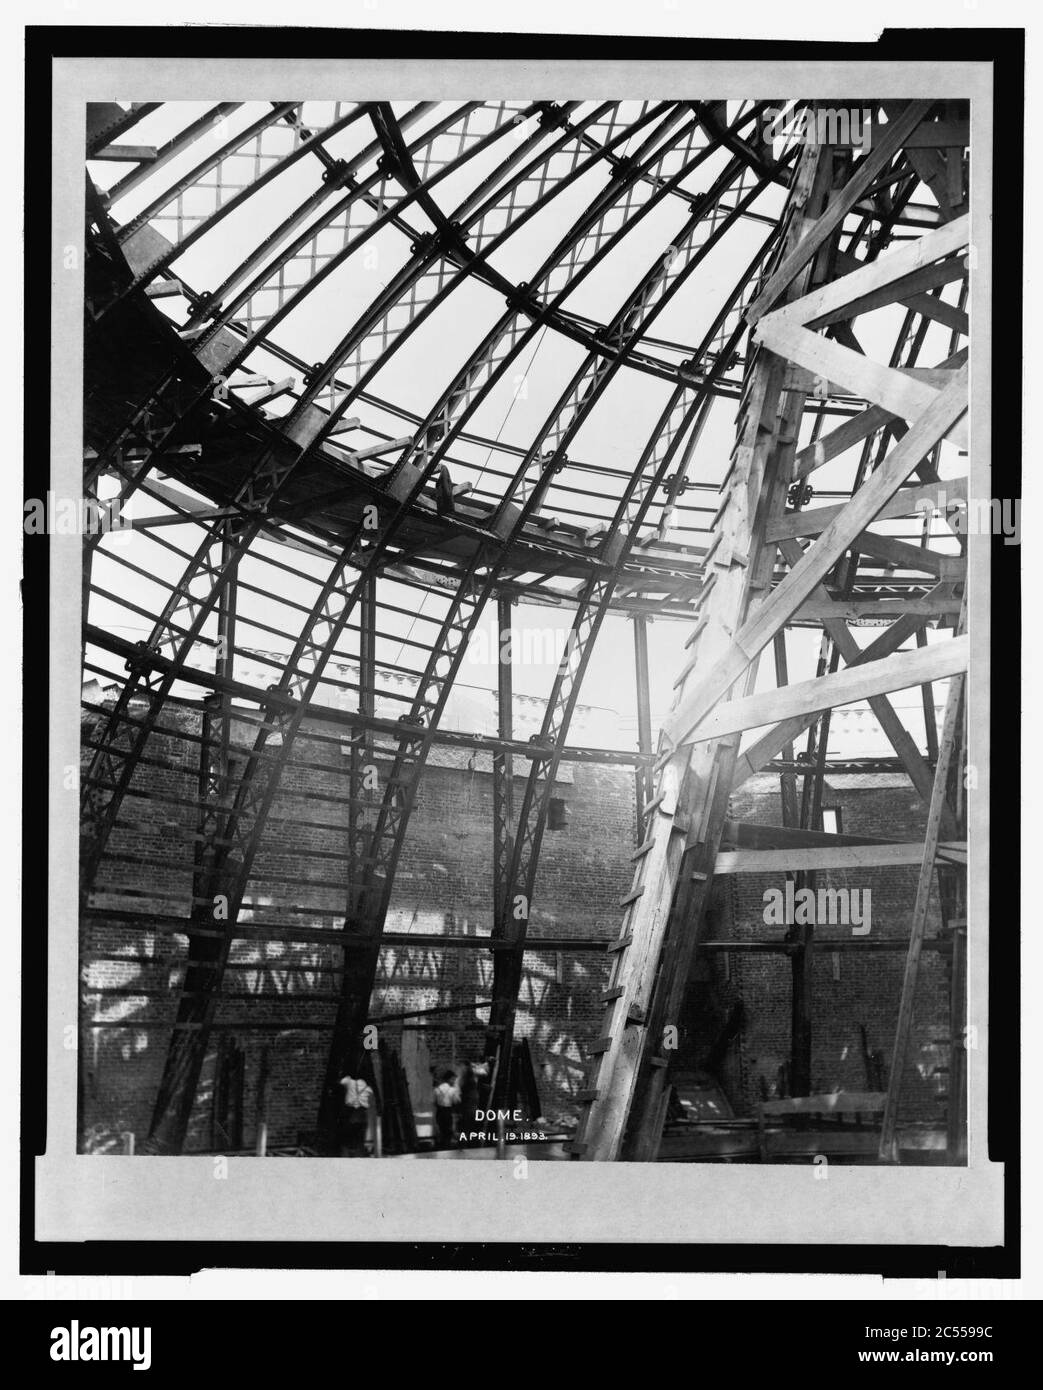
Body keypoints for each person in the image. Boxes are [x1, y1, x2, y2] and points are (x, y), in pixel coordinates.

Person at [338, 1072, 374, 1156]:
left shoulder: (350, 1082)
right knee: (359, 1133)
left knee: (348, 1130)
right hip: (362, 1112)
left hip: (351, 1111)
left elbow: (341, 1082)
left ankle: (349, 1149)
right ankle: (358, 1151)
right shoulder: (368, 1088)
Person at [432, 1069, 459, 1148]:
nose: (454, 1081)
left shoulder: (437, 1089)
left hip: (439, 1111)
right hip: (448, 1111)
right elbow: (455, 1101)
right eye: (453, 1079)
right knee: (448, 1130)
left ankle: (441, 1145)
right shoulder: (452, 1090)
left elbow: (434, 1102)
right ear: (449, 1079)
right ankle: (446, 1146)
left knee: (441, 1128)